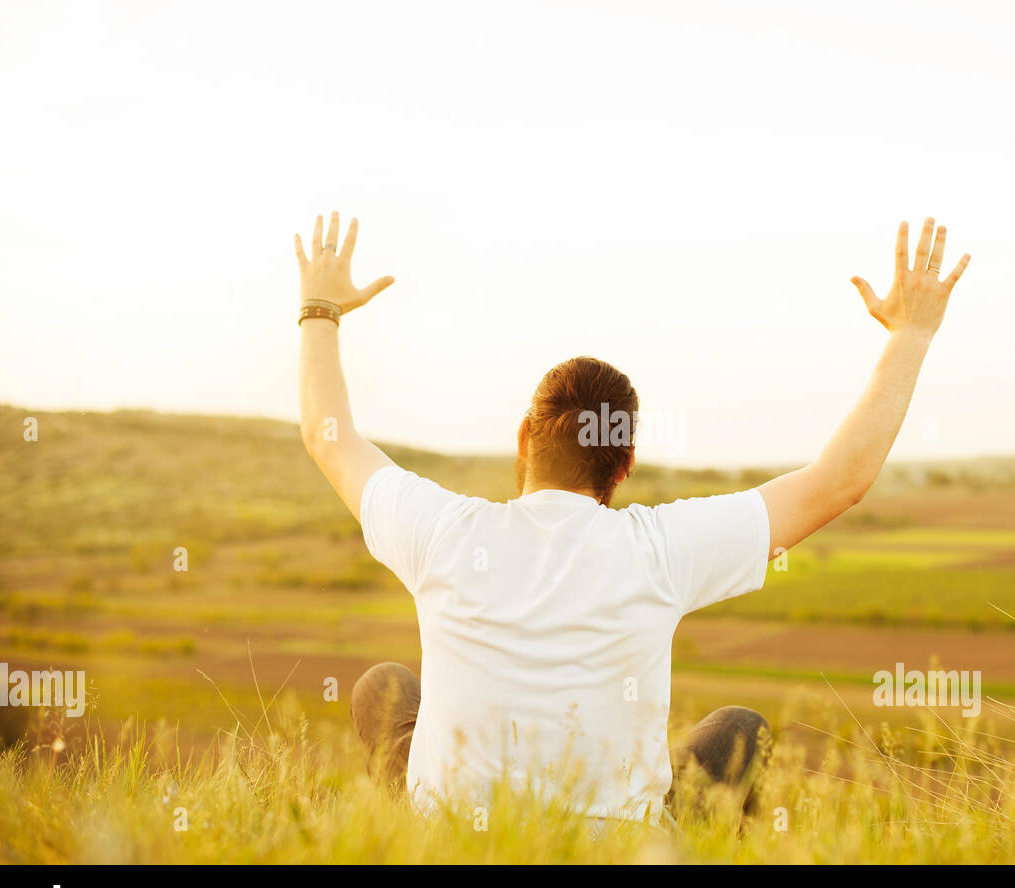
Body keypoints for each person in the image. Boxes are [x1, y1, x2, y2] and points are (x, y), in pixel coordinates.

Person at [295, 211, 969, 825]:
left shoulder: (444, 533)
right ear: (625, 463)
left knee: (383, 689)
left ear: (525, 439)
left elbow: (329, 437)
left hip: (454, 842)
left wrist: (319, 308)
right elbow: (839, 481)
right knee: (736, 729)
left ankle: (405, 832)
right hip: (619, 847)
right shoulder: (658, 550)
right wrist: (910, 334)